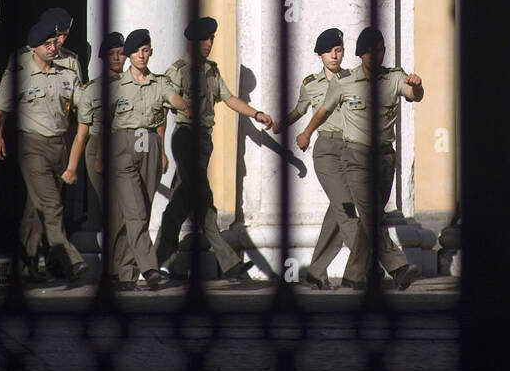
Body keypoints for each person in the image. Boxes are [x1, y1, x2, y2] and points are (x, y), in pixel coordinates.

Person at [296, 26, 423, 291]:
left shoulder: (394, 78)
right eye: (370, 52)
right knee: (366, 214)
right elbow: (319, 111)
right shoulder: (344, 83)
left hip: (385, 157)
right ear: (361, 54)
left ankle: (351, 275)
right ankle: (396, 267)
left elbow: (413, 96)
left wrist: (417, 87)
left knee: (348, 212)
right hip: (353, 156)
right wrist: (305, 133)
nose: (376, 56)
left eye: (380, 50)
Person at [156, 16, 272, 281]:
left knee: (180, 201)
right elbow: (162, 108)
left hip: (203, 140)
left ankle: (158, 261)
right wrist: (161, 149)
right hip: (185, 137)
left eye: (212, 39)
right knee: (204, 200)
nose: (209, 43)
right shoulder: (177, 71)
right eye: (205, 39)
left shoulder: (211, 70)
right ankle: (229, 262)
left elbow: (229, 98)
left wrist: (257, 114)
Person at [0, 21, 86, 283]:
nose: (52, 48)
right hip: (32, 146)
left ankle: (24, 266)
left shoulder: (67, 72)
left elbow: (84, 113)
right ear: (33, 48)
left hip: (59, 145)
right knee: (52, 205)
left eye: (54, 43)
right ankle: (71, 258)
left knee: (36, 207)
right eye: (46, 45)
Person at [272, 27, 361, 289]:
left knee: (338, 210)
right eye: (330, 51)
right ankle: (367, 265)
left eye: (339, 50)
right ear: (320, 55)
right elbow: (300, 109)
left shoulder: (354, 79)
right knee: (347, 211)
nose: (335, 55)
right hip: (327, 151)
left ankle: (316, 271)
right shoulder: (311, 85)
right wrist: (281, 125)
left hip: (353, 149)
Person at [107, 28, 188, 288]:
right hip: (123, 145)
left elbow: (172, 103)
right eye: (136, 51)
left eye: (146, 50)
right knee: (136, 211)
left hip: (150, 144)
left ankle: (124, 271)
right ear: (129, 55)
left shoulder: (160, 82)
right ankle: (150, 268)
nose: (142, 56)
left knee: (143, 207)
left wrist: (186, 107)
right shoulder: (116, 87)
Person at [62, 32, 135, 281]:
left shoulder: (133, 83)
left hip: (127, 145)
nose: (117, 57)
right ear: (104, 58)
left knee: (126, 209)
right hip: (98, 149)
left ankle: (120, 265)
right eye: (112, 53)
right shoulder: (92, 90)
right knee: (101, 209)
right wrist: (74, 165)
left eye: (121, 52)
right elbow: (83, 132)